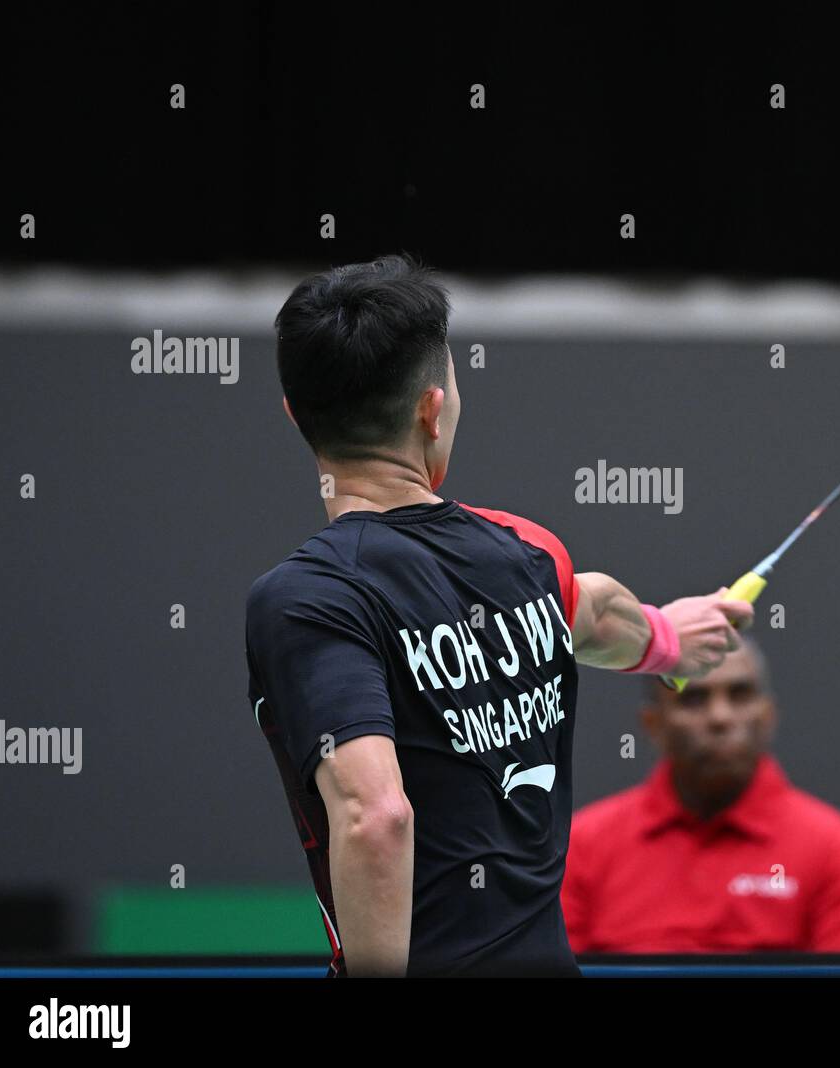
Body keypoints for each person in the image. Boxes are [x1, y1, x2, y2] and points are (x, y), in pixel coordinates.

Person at [244, 254, 752, 976]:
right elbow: (598, 612)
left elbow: (376, 817)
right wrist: (670, 638)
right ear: (432, 407)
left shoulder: (308, 599)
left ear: (295, 413)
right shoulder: (530, 555)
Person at [562, 635, 840, 953]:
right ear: (653, 724)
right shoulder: (581, 849)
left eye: (740, 694)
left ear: (768, 715)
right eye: (693, 698)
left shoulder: (834, 851)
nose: (720, 717)